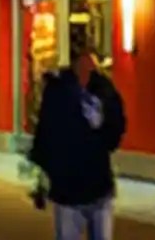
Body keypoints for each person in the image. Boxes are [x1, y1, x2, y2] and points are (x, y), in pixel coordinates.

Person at [29, 56, 126, 240]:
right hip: (72, 187)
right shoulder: (60, 92)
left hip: (93, 184)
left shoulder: (102, 90)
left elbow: (115, 129)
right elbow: (47, 134)